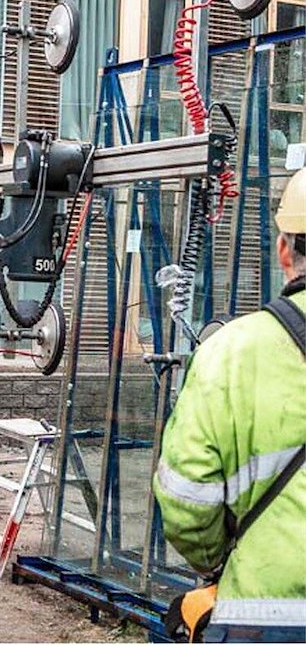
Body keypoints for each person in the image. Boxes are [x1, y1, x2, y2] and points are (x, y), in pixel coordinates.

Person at [153, 167, 306, 643]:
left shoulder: (231, 351)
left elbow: (185, 497)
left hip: (267, 614)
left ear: (284, 250)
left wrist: (215, 561)